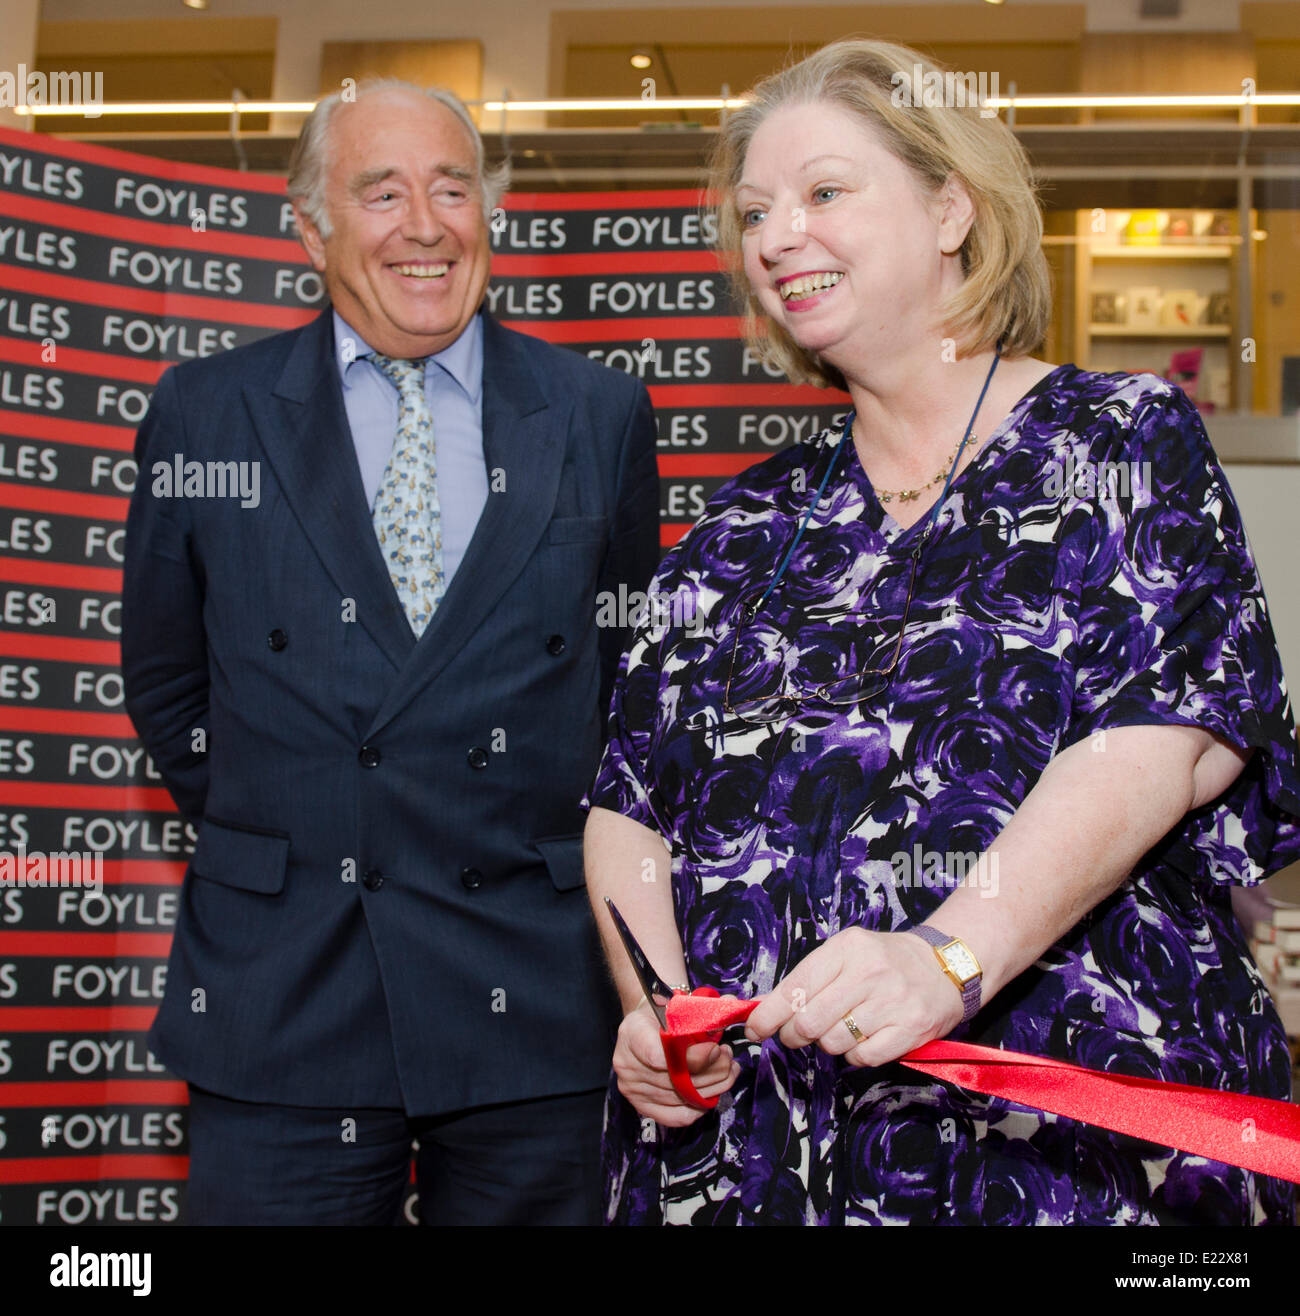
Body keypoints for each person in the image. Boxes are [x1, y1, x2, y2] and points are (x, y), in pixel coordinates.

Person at [584, 38, 1300, 1226]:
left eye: (823, 192)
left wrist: (947, 959)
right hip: (760, 1154)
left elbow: (1170, 731)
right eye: (755, 210)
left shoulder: (1118, 438)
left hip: (1070, 1137)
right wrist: (657, 1010)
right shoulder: (743, 518)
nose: (774, 235)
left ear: (952, 207)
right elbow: (628, 802)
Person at [122, 80, 660, 1225]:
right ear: (310, 231)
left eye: (452, 186)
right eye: (381, 191)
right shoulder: (206, 414)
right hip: (287, 989)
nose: (425, 223)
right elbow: (169, 681)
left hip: (535, 992)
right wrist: (309, 819)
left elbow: (628, 689)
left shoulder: (596, 413)